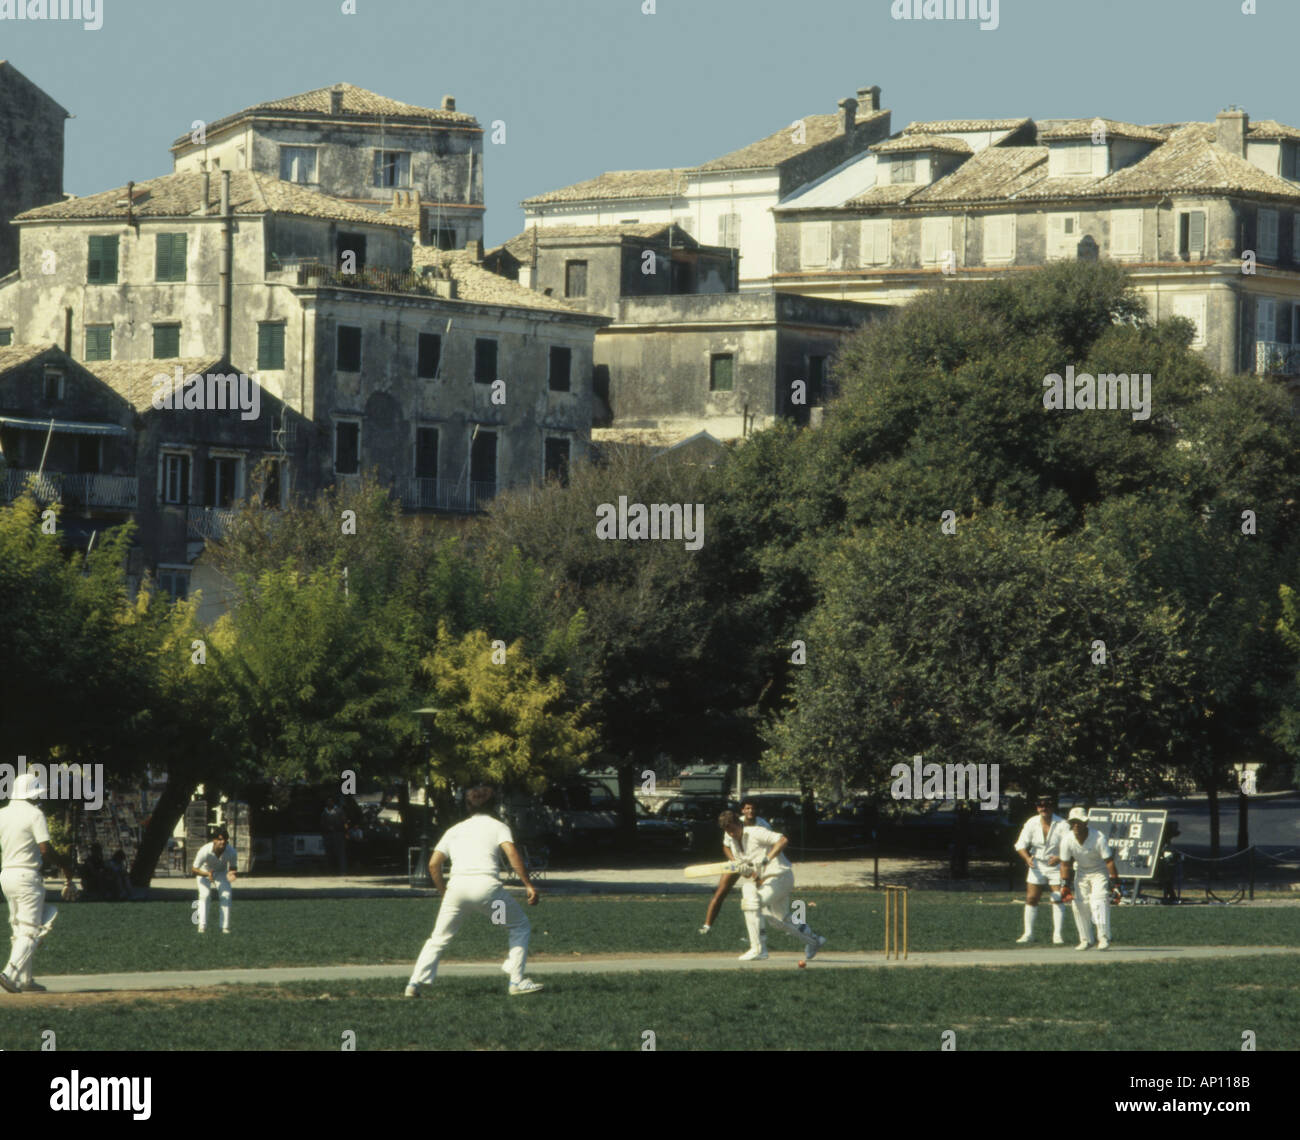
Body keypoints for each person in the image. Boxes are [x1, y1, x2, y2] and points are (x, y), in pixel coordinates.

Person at [405, 784, 543, 997]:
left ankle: (414, 984)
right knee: (518, 926)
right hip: (487, 891)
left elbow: (433, 864)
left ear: (468, 806)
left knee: (438, 939)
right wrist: (528, 884)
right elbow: (512, 854)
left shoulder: (454, 830)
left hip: (457, 891)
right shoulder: (499, 826)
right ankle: (516, 980)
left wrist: (444, 892)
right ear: (494, 805)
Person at [0, 773, 77, 993]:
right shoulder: (35, 814)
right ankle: (9, 974)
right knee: (31, 930)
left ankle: (26, 980)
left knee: (18, 927)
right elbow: (45, 848)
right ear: (33, 795)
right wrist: (64, 866)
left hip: (6, 875)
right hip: (27, 876)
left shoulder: (2, 814)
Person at [718, 810, 824, 961]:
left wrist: (767, 859)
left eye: (733, 830)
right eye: (728, 832)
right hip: (767, 881)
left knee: (750, 899)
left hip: (781, 876)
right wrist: (745, 870)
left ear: (739, 824)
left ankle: (758, 949)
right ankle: (814, 941)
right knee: (780, 920)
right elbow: (750, 874)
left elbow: (782, 840)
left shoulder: (755, 832)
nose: (732, 834)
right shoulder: (734, 845)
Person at [699, 799, 771, 935]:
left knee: (764, 895)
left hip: (756, 863)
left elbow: (770, 847)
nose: (751, 811)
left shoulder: (762, 826)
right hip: (737, 862)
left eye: (753, 808)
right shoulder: (730, 824)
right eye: (747, 808)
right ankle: (706, 926)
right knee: (720, 893)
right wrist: (734, 862)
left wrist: (755, 869)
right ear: (742, 811)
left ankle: (774, 926)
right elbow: (726, 846)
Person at [1059, 807, 1122, 950]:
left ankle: (1104, 938)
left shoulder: (1098, 837)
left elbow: (1109, 862)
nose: (1075, 825)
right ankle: (1086, 940)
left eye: (1078, 822)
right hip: (1081, 873)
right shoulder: (1067, 840)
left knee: (1098, 901)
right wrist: (1065, 885)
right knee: (1079, 905)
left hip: (1099, 872)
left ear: (1085, 822)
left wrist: (1116, 884)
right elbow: (1064, 864)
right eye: (1073, 822)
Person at [1013, 795, 1070, 945]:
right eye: (1040, 805)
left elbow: (1069, 847)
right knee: (1031, 898)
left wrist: (1059, 857)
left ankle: (1057, 935)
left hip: (1056, 865)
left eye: (1047, 805)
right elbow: (1020, 845)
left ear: (1053, 807)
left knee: (1057, 897)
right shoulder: (1031, 822)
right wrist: (1027, 858)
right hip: (1036, 864)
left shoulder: (1062, 824)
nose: (1043, 808)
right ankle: (1028, 934)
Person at [191, 827, 238, 934]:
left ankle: (224, 927)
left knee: (226, 895)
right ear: (214, 840)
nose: (223, 842)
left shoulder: (231, 851)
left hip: (221, 873)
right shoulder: (204, 850)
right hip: (204, 871)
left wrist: (232, 874)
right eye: (220, 839)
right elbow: (194, 869)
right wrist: (207, 874)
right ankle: (202, 926)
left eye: (225, 840)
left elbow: (233, 868)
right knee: (205, 895)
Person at [320, 798, 347, 875]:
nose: (329, 803)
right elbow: (322, 823)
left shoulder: (339, 811)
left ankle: (342, 871)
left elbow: (344, 822)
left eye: (331, 801)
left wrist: (340, 829)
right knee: (329, 854)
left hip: (338, 834)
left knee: (340, 853)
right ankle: (330, 871)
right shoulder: (324, 812)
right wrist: (326, 828)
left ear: (333, 802)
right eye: (328, 801)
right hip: (328, 835)